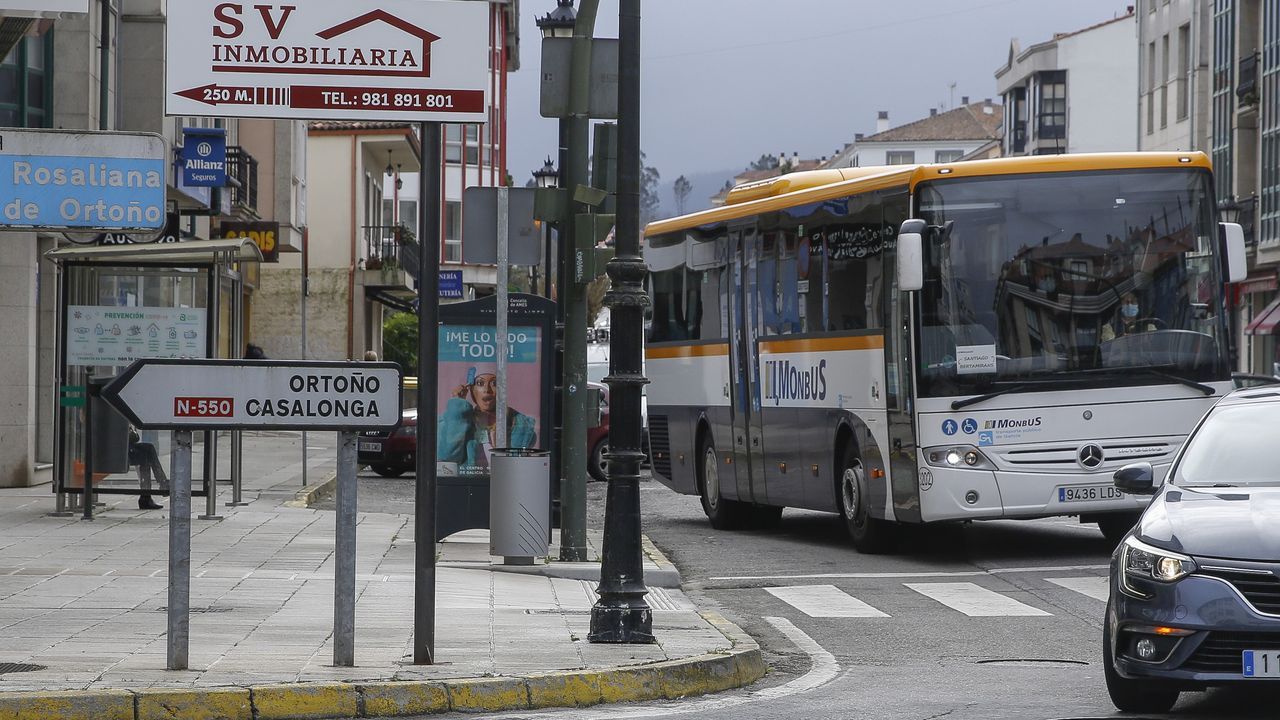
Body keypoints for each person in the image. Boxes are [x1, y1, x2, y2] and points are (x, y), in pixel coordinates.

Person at [437, 369, 536, 470]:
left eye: (494, 383)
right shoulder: (458, 419)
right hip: (469, 485)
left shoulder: (519, 424)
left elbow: (518, 468)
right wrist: (457, 406)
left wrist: (503, 446)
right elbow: (448, 456)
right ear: (471, 389)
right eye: (480, 383)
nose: (487, 389)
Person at [129, 426, 169, 510]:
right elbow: (133, 437)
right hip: (120, 450)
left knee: (146, 454)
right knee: (148, 450)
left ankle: (146, 497)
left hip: (125, 449)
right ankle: (162, 483)